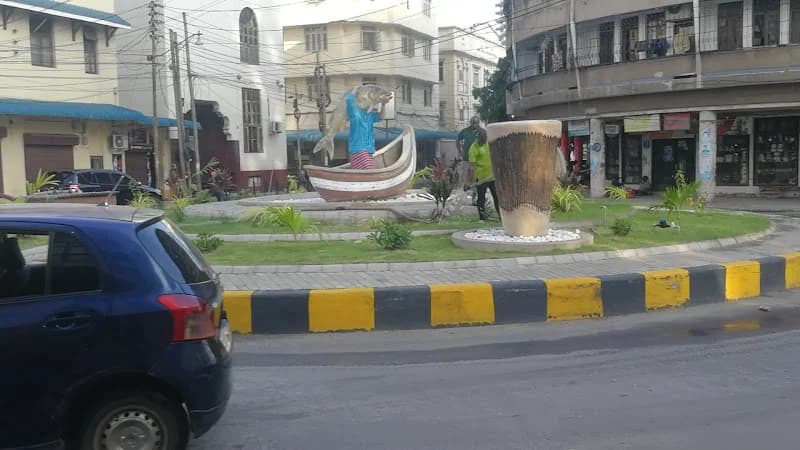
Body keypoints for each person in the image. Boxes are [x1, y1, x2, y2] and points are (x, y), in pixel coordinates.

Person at [468, 128, 500, 221]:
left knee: (497, 197)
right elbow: (471, 166)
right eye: (481, 140)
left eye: (484, 139)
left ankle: (501, 216)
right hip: (481, 178)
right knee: (481, 198)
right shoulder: (473, 148)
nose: (483, 141)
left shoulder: (489, 143)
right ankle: (482, 217)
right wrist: (469, 180)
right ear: (478, 138)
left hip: (492, 176)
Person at [457, 116, 481, 185]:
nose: (475, 124)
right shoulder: (465, 131)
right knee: (465, 176)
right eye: (473, 122)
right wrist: (459, 151)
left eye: (476, 122)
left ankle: (475, 192)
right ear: (471, 123)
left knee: (475, 177)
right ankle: (465, 191)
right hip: (466, 158)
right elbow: (457, 139)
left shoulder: (480, 132)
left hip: (476, 159)